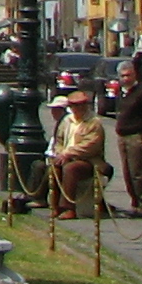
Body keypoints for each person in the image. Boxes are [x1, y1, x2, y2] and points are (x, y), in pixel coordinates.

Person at [50, 90, 107, 219]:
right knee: (55, 167)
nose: (78, 109)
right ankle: (55, 206)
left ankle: (69, 208)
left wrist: (68, 154)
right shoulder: (67, 121)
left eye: (81, 105)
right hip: (66, 157)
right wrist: (60, 153)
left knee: (71, 169)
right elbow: (59, 141)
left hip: (89, 161)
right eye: (74, 106)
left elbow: (91, 146)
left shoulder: (94, 122)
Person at [114, 55, 142, 217]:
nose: (126, 78)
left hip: (136, 135)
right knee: (127, 172)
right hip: (122, 136)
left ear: (134, 74)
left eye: (128, 75)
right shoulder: (121, 92)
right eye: (122, 76)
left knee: (138, 171)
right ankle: (135, 202)